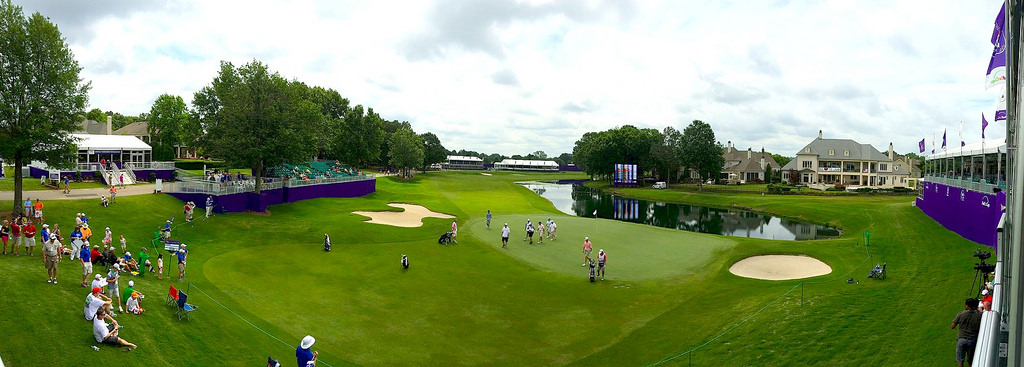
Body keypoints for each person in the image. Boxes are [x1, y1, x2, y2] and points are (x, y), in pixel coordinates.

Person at [952, 298, 983, 367]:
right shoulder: (979, 315)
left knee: (960, 362)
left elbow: (952, 326)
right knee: (970, 361)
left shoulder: (961, 314)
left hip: (961, 339)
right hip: (972, 340)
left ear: (967, 306)